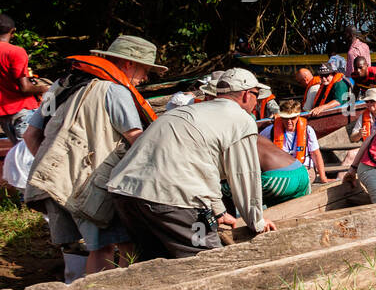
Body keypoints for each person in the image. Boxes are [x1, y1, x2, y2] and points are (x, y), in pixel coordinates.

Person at [24, 35, 164, 276]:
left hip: (49, 182)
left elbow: (30, 135)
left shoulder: (62, 84)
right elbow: (137, 139)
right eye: (145, 70)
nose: (145, 78)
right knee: (113, 247)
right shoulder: (115, 91)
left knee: (75, 248)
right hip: (89, 186)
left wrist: (57, 167)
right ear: (128, 63)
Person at [108, 68, 277, 259]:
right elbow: (244, 174)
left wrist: (219, 211)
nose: (257, 102)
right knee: (208, 260)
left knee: (155, 260)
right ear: (247, 95)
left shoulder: (191, 111)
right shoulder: (241, 119)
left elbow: (200, 165)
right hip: (171, 198)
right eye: (257, 96)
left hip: (125, 192)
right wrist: (257, 221)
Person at [0, 14, 47, 144]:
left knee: (19, 155)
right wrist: (44, 88)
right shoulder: (16, 52)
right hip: (22, 111)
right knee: (30, 156)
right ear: (13, 31)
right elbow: (25, 88)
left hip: (4, 114)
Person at [259, 99, 329, 183]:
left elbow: (316, 154)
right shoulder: (271, 130)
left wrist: (323, 178)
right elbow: (256, 142)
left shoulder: (308, 130)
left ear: (298, 116)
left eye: (292, 118)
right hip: (280, 170)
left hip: (304, 168)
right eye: (285, 118)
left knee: (299, 181)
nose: (289, 121)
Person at [255, 134, 312, 206]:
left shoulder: (241, 143)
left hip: (278, 179)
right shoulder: (259, 136)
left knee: (244, 198)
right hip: (302, 172)